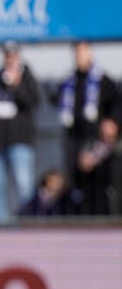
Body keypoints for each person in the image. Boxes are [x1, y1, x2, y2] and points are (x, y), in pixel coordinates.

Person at [54, 41, 118, 216]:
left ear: (90, 54)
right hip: (75, 141)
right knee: (77, 187)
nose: (80, 57)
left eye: (84, 53)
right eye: (77, 54)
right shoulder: (68, 82)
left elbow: (113, 114)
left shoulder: (104, 82)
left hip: (97, 143)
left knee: (100, 186)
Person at [0, 41, 41, 224]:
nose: (10, 58)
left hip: (20, 142)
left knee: (24, 187)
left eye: (13, 54)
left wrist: (16, 85)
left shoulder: (27, 75)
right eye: (7, 54)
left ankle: (29, 226)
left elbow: (34, 101)